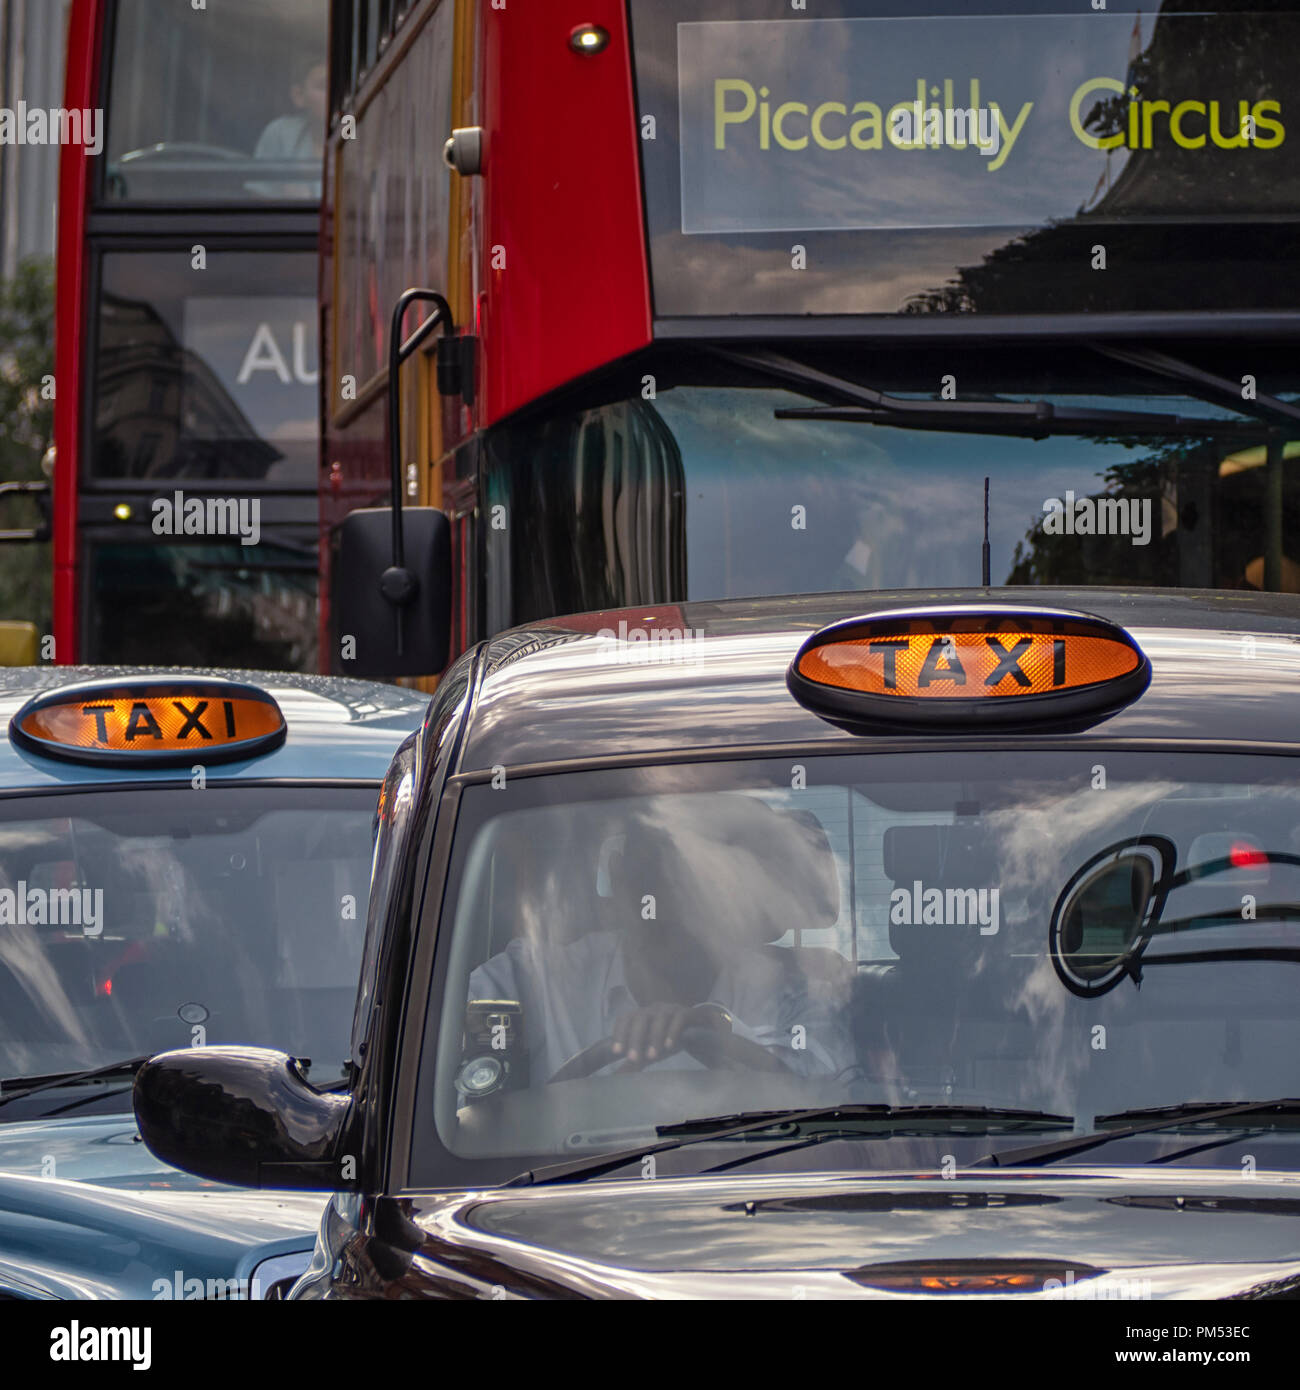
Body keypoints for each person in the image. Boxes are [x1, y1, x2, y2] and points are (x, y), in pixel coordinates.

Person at [467, 811, 854, 1083]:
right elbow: (453, 1045)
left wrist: (722, 1034)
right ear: (617, 878)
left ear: (728, 890)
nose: (660, 900)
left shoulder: (791, 989)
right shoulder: (538, 981)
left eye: (687, 876)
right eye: (646, 869)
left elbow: (829, 1085)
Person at [254, 57, 328, 163]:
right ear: (299, 96)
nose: (335, 94)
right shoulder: (281, 133)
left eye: (341, 86)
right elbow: (263, 173)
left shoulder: (351, 133)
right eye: (323, 86)